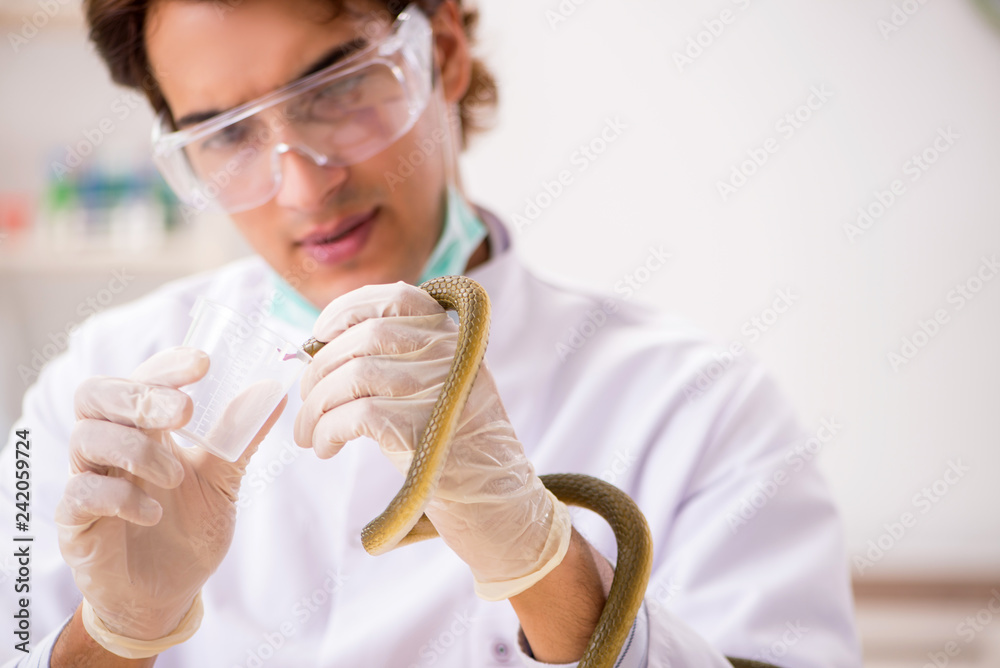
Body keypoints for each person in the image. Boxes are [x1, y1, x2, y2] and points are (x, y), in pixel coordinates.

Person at [0, 1, 863, 666]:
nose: (303, 189)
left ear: (442, 50)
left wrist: (545, 565)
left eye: (335, 89)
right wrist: (118, 631)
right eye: (228, 136)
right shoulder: (91, 391)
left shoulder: (703, 407)